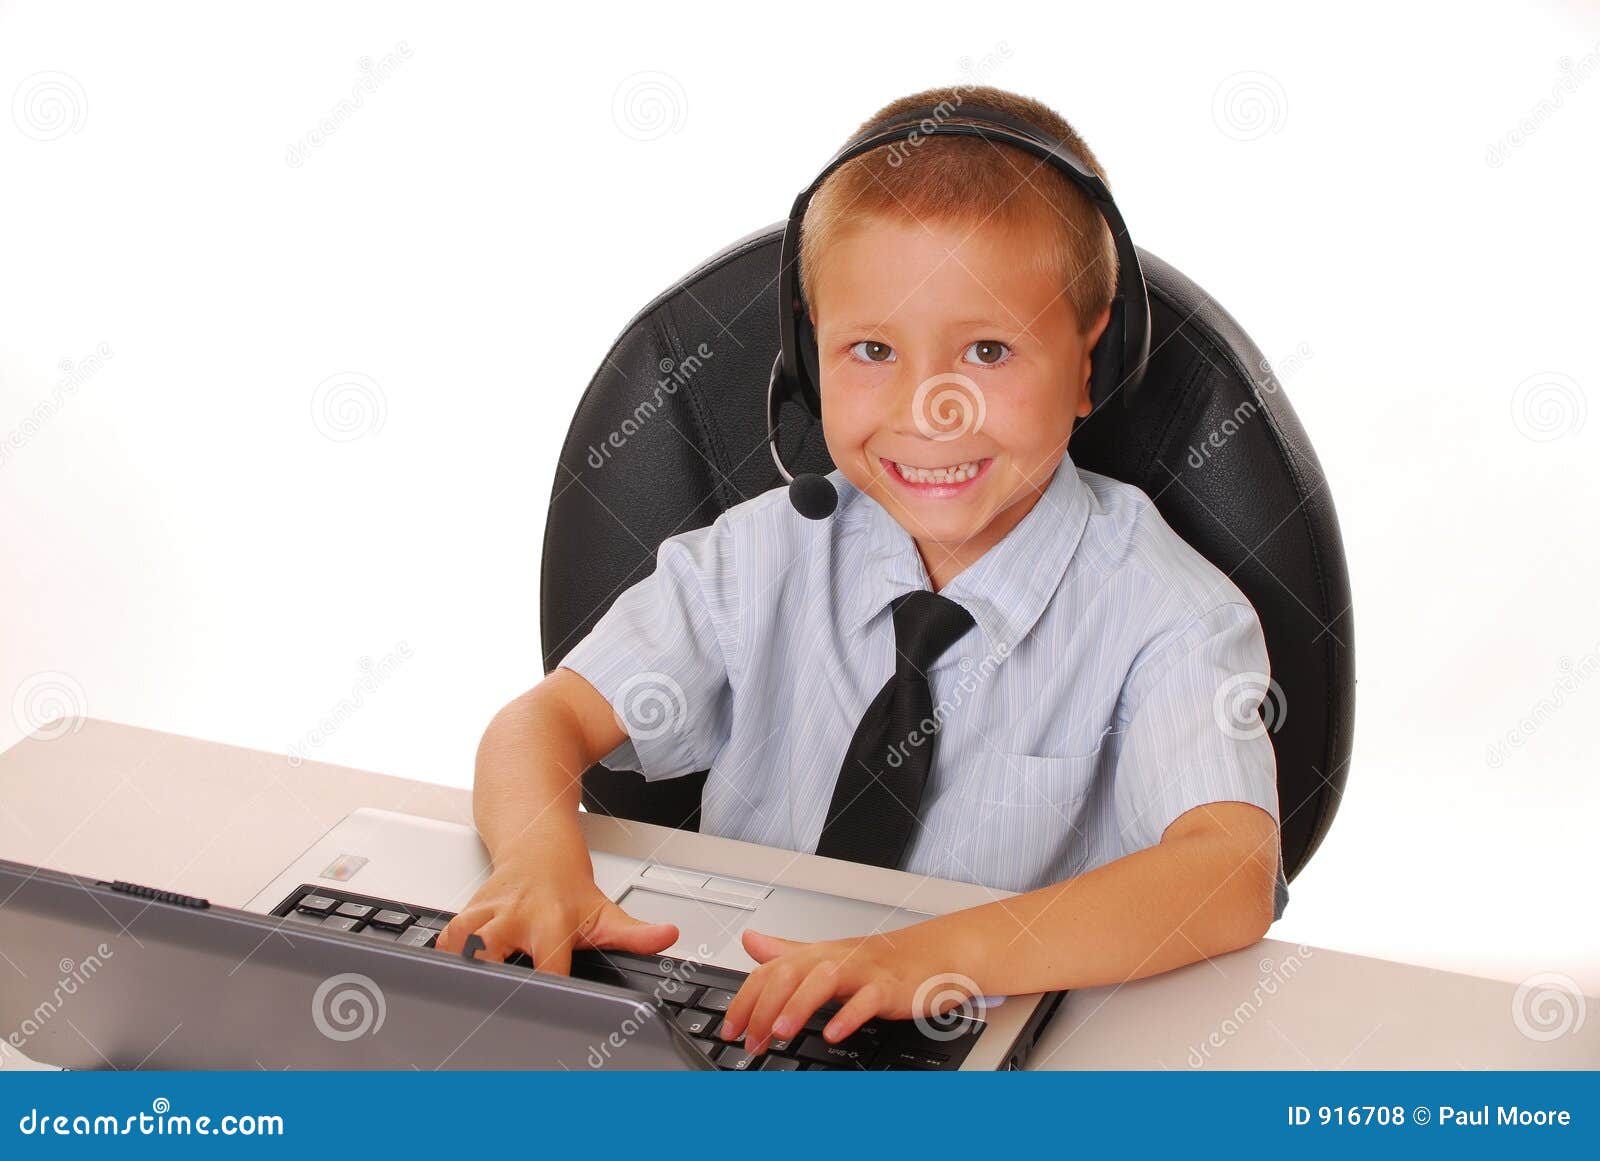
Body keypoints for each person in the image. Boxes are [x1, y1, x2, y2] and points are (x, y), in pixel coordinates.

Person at [437, 84, 1288, 1062]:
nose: (932, 410)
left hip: (991, 1039)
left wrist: (930, 957)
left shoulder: (1164, 612)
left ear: (1092, 355)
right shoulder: (758, 558)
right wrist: (538, 862)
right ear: (807, 353)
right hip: (736, 1025)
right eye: (872, 349)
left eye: (988, 348)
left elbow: (1227, 873)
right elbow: (539, 724)